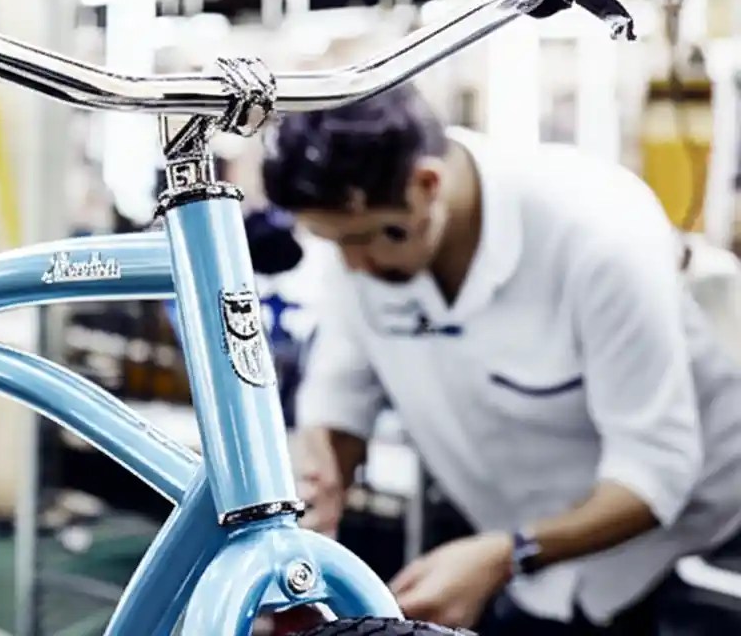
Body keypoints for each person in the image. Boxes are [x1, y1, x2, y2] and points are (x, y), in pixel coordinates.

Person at [265, 83, 741, 635]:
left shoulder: (597, 232)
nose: (352, 268)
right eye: (334, 244)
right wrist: (320, 478)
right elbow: (343, 391)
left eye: (364, 241)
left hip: (694, 544)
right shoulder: (371, 230)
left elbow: (655, 471)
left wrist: (502, 555)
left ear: (427, 185)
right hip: (533, 560)